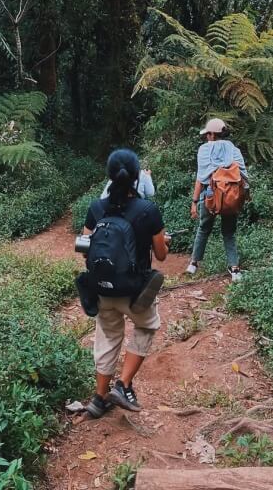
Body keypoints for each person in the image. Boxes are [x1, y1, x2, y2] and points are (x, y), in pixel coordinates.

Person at [81, 149, 169, 418]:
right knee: (146, 326)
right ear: (136, 177)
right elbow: (162, 255)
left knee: (107, 337)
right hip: (135, 291)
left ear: (109, 175)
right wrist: (162, 242)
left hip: (101, 288)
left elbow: (85, 248)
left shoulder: (96, 208)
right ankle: (124, 384)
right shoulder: (147, 210)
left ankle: (98, 399)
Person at [187, 118, 248, 281]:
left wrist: (194, 202)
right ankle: (235, 269)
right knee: (229, 232)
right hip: (231, 196)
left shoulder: (204, 150)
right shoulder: (234, 150)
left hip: (210, 195)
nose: (207, 136)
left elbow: (201, 178)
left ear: (213, 134)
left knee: (204, 228)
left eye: (208, 134)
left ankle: (193, 264)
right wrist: (243, 197)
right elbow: (243, 175)